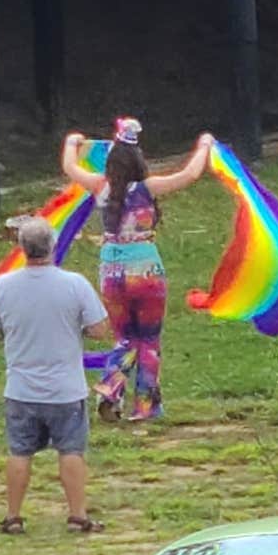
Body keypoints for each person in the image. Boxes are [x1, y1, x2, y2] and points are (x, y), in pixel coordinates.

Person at [59, 117, 213, 426]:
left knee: (125, 338)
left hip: (111, 272)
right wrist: (205, 145)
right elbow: (190, 174)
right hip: (145, 272)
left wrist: (72, 142)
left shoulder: (100, 187)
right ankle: (145, 406)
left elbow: (70, 167)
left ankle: (111, 389)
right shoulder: (147, 188)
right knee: (149, 339)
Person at [0, 213, 109, 537]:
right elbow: (99, 329)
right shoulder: (75, 284)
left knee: (19, 452)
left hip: (21, 389)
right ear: (52, 246)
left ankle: (13, 516)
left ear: (22, 247)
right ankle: (77, 515)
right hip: (66, 389)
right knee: (71, 451)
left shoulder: (3, 285)